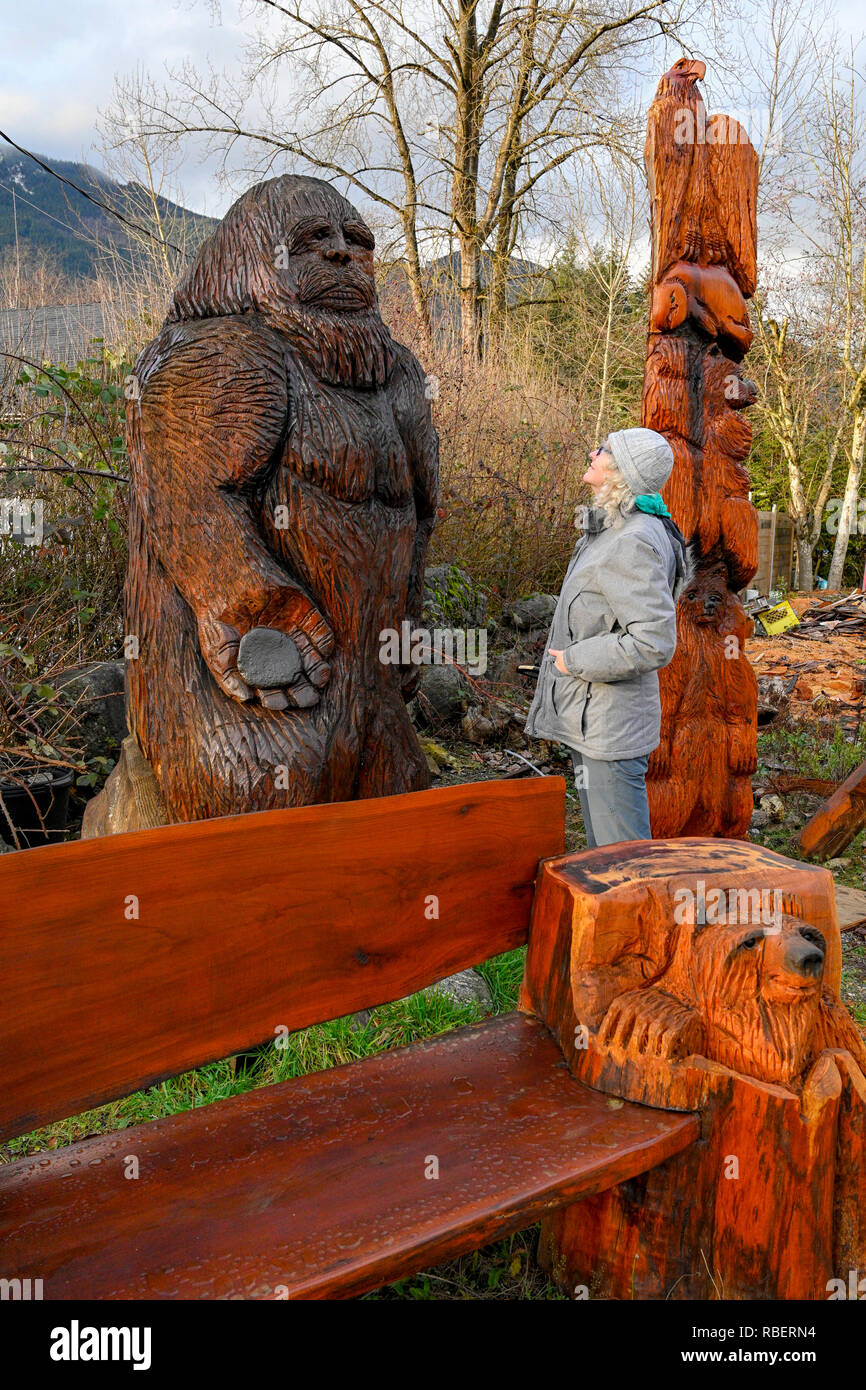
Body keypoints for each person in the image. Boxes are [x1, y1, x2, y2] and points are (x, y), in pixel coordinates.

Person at [524, 427, 688, 847]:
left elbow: (653, 641)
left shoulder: (632, 539)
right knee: (604, 857)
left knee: (623, 863)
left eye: (603, 450)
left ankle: (643, 915)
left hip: (610, 729)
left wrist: (573, 659)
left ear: (622, 471)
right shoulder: (612, 528)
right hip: (594, 721)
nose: (592, 453)